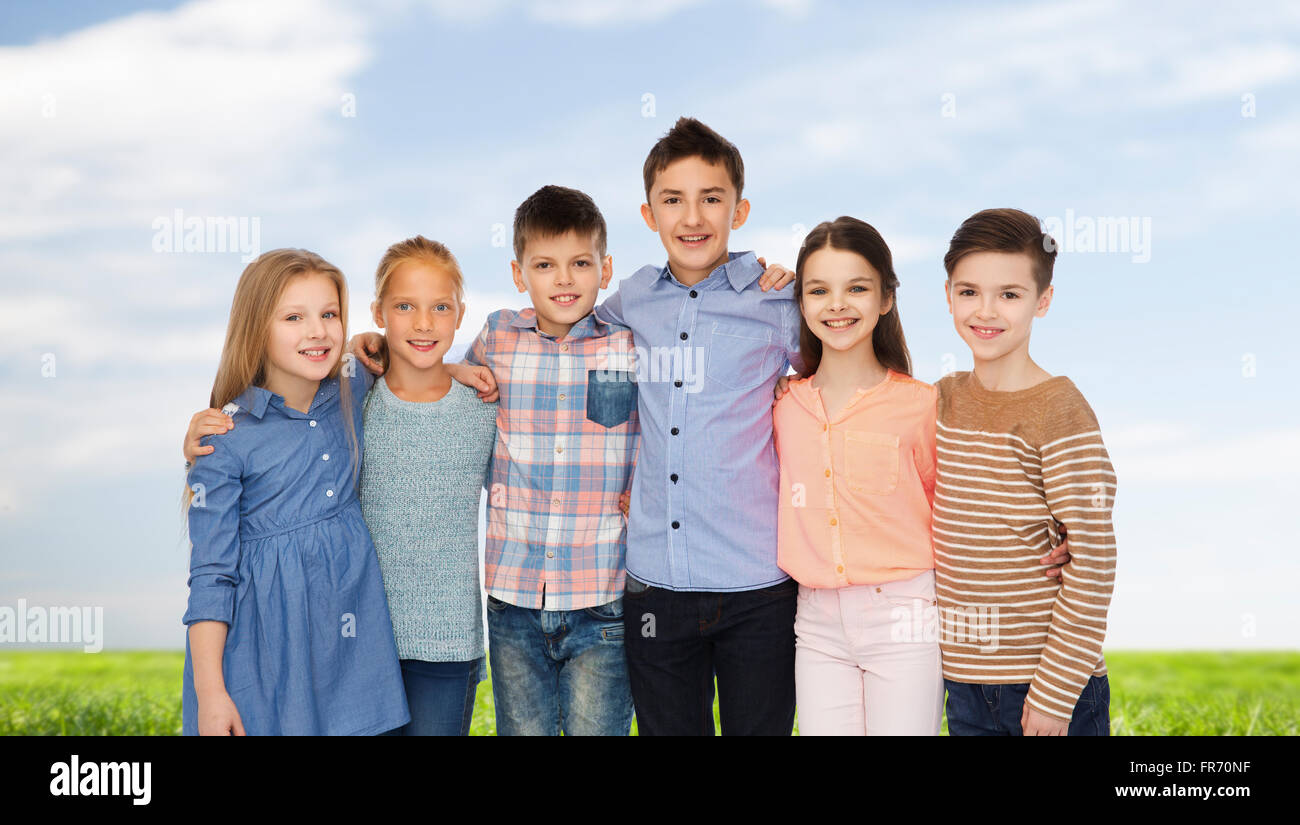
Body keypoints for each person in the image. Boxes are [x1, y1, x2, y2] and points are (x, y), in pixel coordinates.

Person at [351, 186, 639, 735]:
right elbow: (432, 363)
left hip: (602, 596)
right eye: (545, 265)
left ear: (606, 269)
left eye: (581, 264)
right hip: (513, 600)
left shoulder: (628, 345)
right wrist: (380, 345)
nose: (564, 279)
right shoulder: (500, 336)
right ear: (518, 272)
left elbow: (666, 428)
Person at [592, 117, 801, 735]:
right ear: (648, 212)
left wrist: (803, 282)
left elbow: (836, 384)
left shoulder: (776, 302)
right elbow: (567, 332)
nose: (693, 217)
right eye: (673, 200)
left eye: (712, 198)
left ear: (739, 210)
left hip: (757, 585)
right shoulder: (631, 297)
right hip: (656, 583)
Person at [181, 248, 409, 735]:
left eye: (329, 314)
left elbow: (411, 356)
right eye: (293, 317)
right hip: (262, 665)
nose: (318, 331)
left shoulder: (352, 384)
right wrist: (211, 694)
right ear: (255, 328)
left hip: (348, 648)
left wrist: (456, 371)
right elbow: (210, 578)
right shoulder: (223, 438)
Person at [935, 208, 1117, 736]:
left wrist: (1055, 695)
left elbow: (1095, 563)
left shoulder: (1059, 408)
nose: (985, 310)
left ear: (1043, 301)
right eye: (969, 292)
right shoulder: (943, 400)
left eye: (1009, 295)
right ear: (948, 294)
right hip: (964, 683)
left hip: (1046, 684)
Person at [361, 236, 498, 736]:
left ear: (460, 314)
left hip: (449, 646)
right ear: (378, 312)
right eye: (405, 306)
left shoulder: (482, 408)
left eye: (440, 307)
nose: (424, 323)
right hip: (362, 643)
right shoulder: (356, 405)